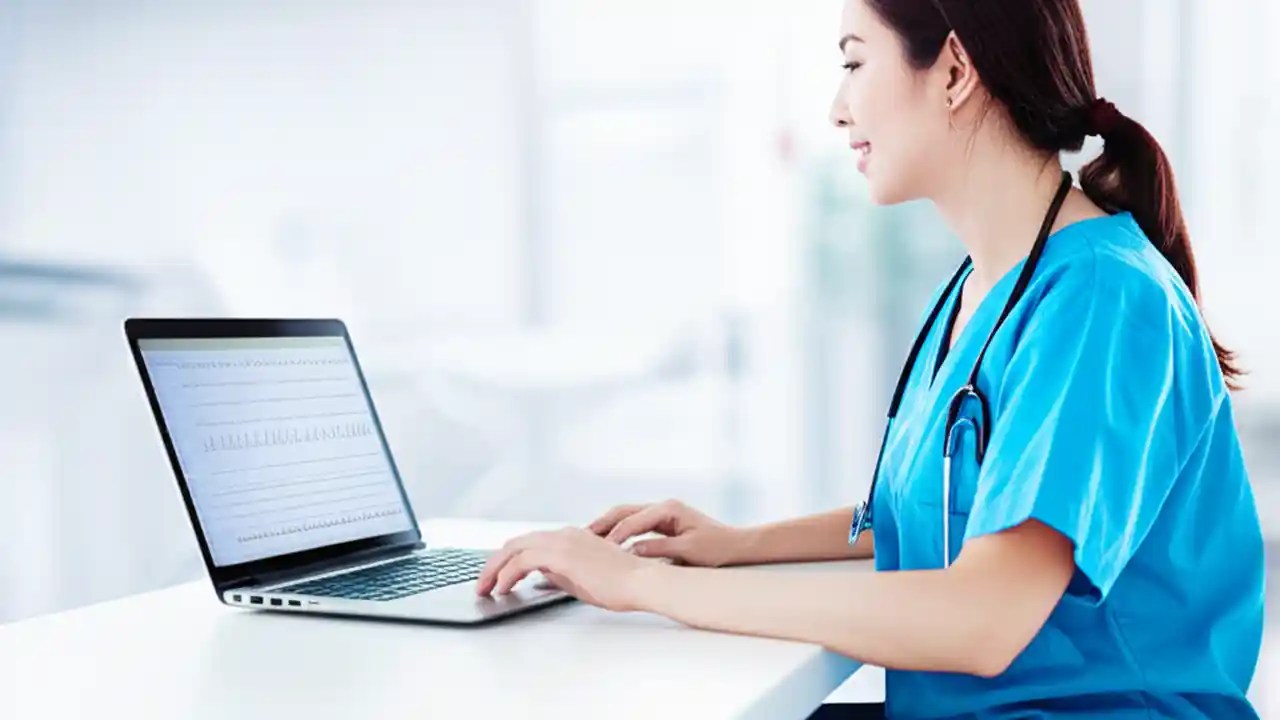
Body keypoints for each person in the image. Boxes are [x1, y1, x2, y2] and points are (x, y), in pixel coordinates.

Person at [476, 0, 1266, 716]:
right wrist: (741, 545)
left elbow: (985, 618)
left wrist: (645, 584)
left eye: (854, 62)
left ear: (954, 69)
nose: (836, 107)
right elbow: (948, 517)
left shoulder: (1099, 300)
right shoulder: (981, 285)